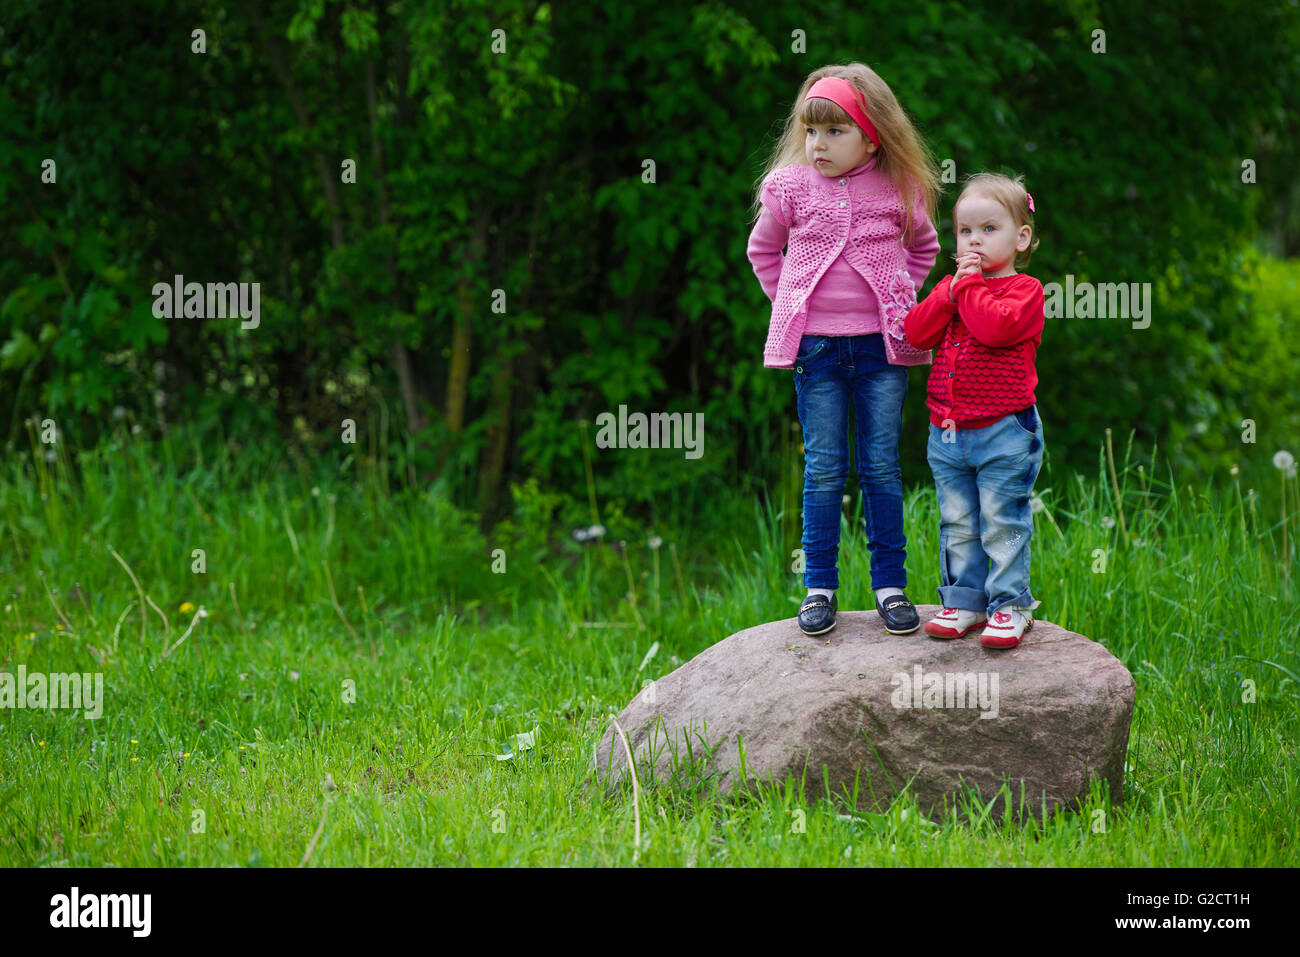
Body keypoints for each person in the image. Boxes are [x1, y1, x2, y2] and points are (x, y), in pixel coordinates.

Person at [747, 64, 940, 637]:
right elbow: (764, 252)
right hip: (818, 352)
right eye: (811, 131)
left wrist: (897, 296)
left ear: (871, 136)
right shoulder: (790, 188)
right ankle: (819, 589)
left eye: (834, 132)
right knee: (825, 468)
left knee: (880, 466)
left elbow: (924, 248)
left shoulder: (898, 187)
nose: (818, 144)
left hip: (883, 350)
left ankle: (890, 585)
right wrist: (793, 303)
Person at [903, 172, 1045, 649]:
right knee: (959, 519)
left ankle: (1009, 605)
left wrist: (965, 290)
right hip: (947, 432)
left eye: (989, 229)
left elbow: (995, 330)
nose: (975, 240)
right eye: (965, 231)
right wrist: (945, 293)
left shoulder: (1025, 291)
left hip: (1005, 430)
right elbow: (914, 334)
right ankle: (964, 601)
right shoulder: (954, 289)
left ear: (1020, 237)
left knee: (1002, 519)